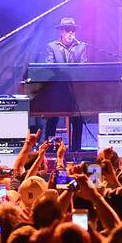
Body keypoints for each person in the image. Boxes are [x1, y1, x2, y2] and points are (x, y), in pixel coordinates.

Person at [43, 17, 88, 152]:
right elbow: (49, 65)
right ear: (61, 32)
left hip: (74, 89)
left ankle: (76, 148)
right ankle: (49, 148)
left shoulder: (81, 46)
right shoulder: (52, 46)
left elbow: (83, 66)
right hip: (57, 88)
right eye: (68, 31)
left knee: (77, 117)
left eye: (73, 31)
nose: (71, 34)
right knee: (52, 117)